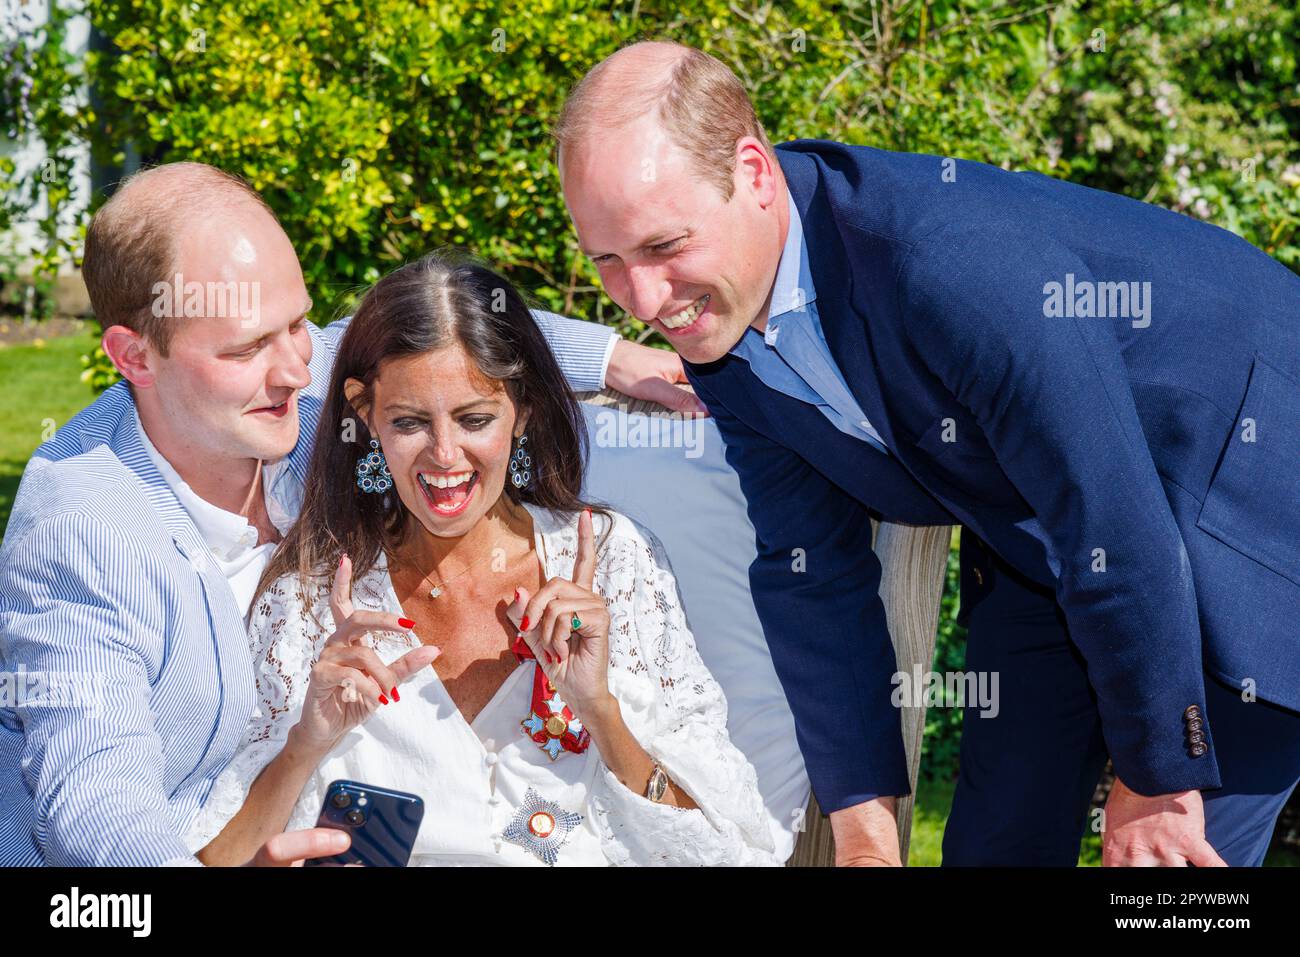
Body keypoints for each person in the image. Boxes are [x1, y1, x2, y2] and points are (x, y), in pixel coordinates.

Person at [554, 40, 1300, 866]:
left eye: (663, 246)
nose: (645, 300)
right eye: (609, 262)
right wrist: (866, 835)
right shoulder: (720, 326)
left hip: (1256, 522)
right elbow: (812, 574)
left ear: (754, 174)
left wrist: (1158, 778)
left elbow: (1111, 514)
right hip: (1049, 548)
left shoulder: (943, 260)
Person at [0, 162, 697, 866]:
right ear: (133, 356)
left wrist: (613, 358)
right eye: (247, 348)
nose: (299, 370)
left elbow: (437, 325)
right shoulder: (79, 533)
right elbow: (95, 807)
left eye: (295, 323)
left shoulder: (285, 397)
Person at [184, 252, 778, 866]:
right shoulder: (308, 598)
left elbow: (728, 856)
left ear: (521, 411)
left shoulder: (614, 562)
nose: (445, 456)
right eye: (410, 422)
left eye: (473, 419)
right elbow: (207, 861)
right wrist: (306, 744)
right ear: (364, 413)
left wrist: (601, 711)